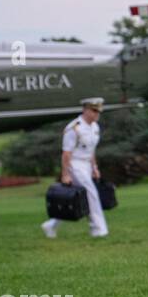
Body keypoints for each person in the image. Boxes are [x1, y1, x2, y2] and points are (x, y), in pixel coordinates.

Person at [41, 97, 108, 239]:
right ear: (85, 109)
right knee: (91, 194)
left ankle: (51, 225)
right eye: (94, 111)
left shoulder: (95, 127)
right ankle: (98, 229)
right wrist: (65, 174)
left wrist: (94, 167)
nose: (97, 114)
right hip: (75, 164)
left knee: (77, 199)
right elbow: (66, 153)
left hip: (86, 165)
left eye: (98, 111)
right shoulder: (74, 128)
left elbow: (91, 150)